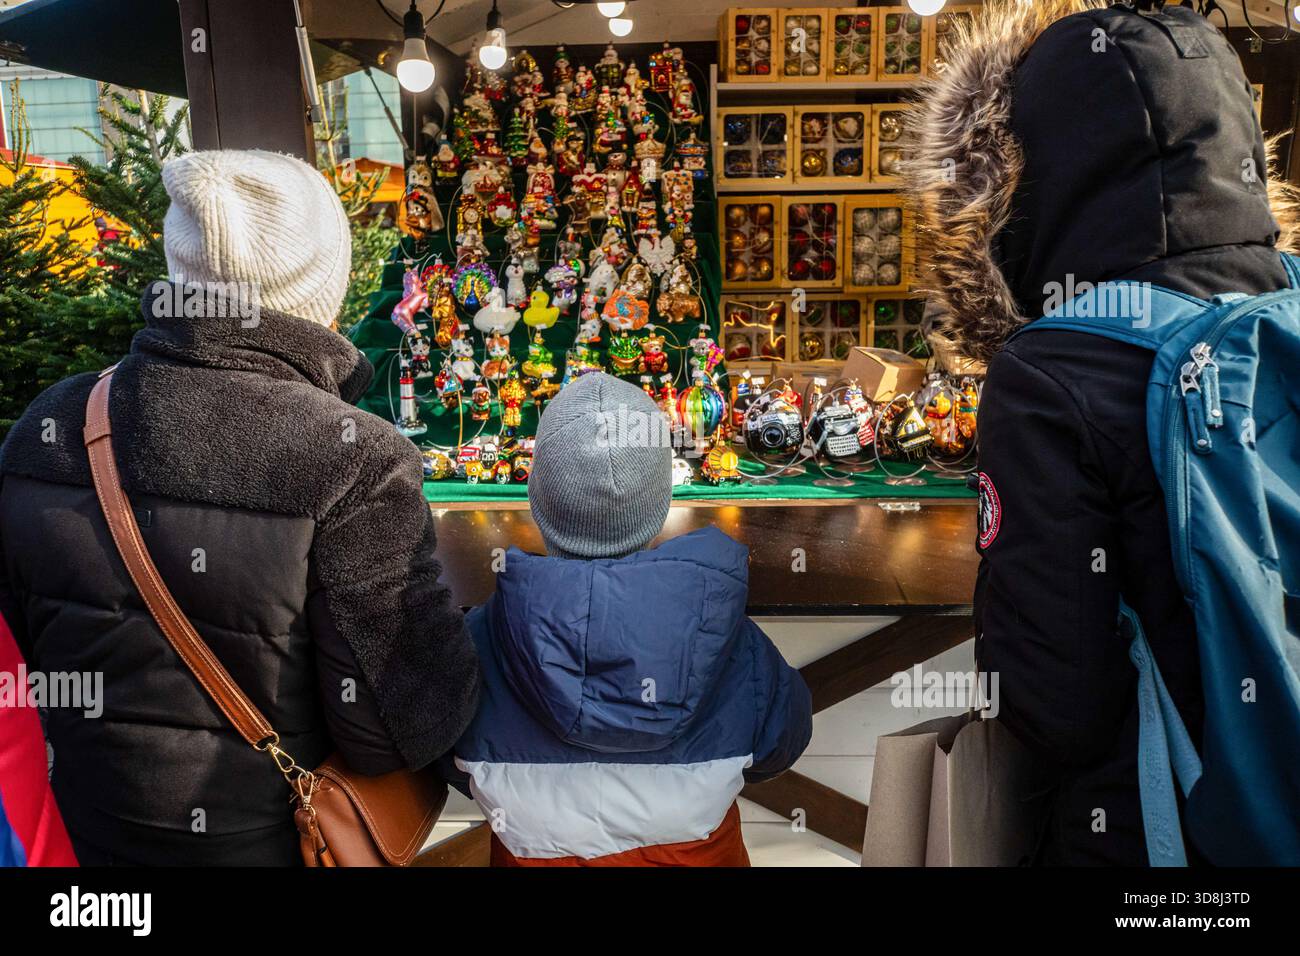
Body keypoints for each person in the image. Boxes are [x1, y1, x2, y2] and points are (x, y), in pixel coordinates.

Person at [0, 149, 480, 865]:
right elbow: (396, 728)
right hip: (282, 849)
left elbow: (25, 656)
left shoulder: (50, 424)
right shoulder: (357, 458)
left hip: (89, 852)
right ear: (323, 283)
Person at [906, 0, 1298, 865]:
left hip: (1147, 832)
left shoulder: (1054, 370)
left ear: (1025, 167)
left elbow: (1054, 701)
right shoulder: (1291, 308)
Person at [439, 373, 812, 866]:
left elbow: (450, 755)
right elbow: (780, 744)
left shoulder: (479, 639)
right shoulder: (732, 641)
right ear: (659, 501)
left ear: (539, 496)